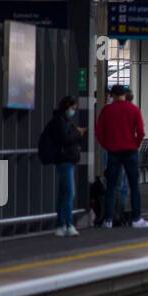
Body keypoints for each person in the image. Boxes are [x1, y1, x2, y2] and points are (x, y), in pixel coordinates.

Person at [95, 84, 148, 228]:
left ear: (112, 96)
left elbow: (99, 132)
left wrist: (107, 145)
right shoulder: (133, 109)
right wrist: (135, 144)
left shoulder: (106, 110)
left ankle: (108, 220)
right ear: (124, 95)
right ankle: (136, 219)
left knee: (111, 186)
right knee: (134, 186)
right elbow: (141, 132)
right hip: (130, 151)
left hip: (113, 151)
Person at [52, 96, 86, 237]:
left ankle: (61, 224)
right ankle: (68, 224)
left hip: (66, 160)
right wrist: (78, 133)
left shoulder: (64, 121)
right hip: (65, 160)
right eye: (72, 108)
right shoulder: (60, 122)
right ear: (66, 107)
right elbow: (65, 139)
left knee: (63, 194)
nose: (73, 111)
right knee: (69, 193)